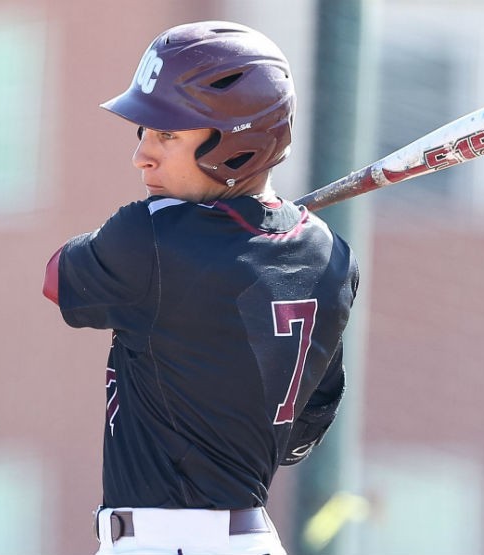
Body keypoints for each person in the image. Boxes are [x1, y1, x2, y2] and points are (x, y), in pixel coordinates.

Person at [43, 20, 359, 555]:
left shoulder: (150, 237)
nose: (143, 155)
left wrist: (199, 233)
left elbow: (60, 279)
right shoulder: (331, 255)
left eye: (167, 134)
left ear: (236, 147)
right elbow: (304, 432)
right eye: (145, 132)